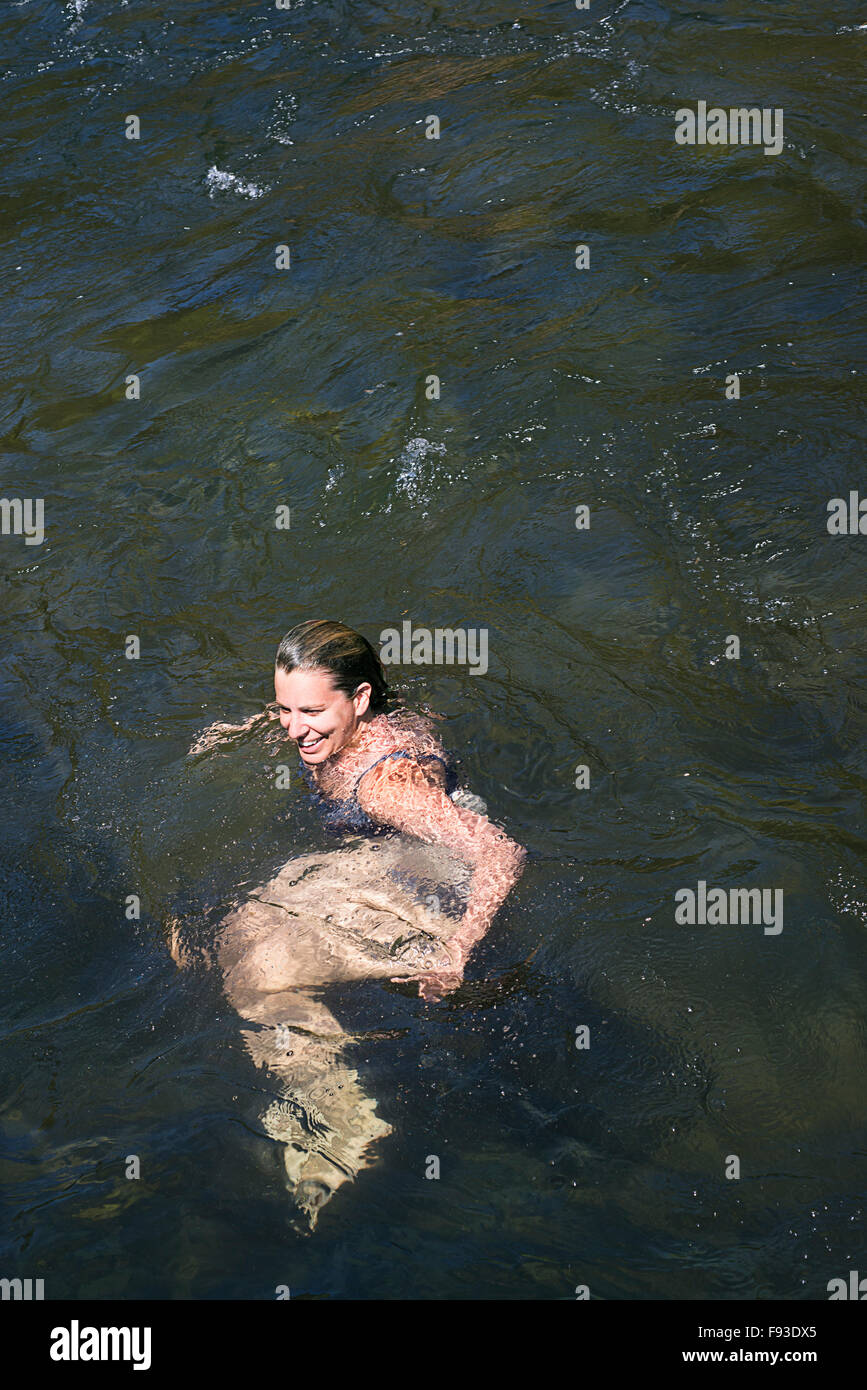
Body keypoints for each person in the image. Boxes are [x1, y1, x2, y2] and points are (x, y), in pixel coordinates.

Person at [176, 620, 525, 1228]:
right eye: (283, 709)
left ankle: (339, 1118)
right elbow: (312, 714)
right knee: (224, 935)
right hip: (376, 855)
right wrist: (252, 727)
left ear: (360, 699)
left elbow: (502, 853)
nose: (292, 728)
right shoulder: (360, 719)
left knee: (257, 973)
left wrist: (460, 950)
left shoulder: (386, 786)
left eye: (309, 711)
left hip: (421, 876)